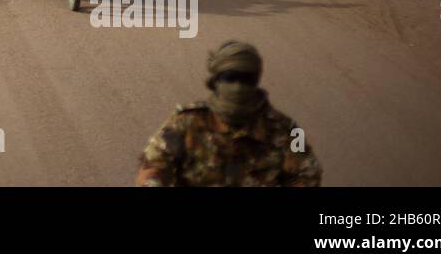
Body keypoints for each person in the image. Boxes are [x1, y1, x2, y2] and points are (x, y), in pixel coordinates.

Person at [135, 40, 322, 186]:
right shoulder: (186, 122)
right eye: (230, 78)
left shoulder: (285, 130)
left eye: (246, 79)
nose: (238, 87)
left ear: (256, 80)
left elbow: (306, 173)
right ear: (216, 80)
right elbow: (154, 164)